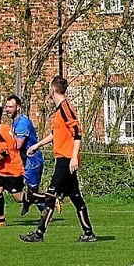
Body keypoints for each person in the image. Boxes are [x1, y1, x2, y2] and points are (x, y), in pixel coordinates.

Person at [19, 76, 96, 243]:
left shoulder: (65, 108)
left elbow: (77, 133)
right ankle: (88, 233)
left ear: (53, 90)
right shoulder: (59, 110)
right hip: (63, 158)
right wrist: (37, 145)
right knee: (75, 197)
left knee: (50, 195)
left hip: (66, 159)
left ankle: (39, 233)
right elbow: (56, 134)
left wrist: (74, 156)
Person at [0, 104, 28, 228]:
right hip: (4, 168)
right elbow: (8, 148)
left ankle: (47, 199)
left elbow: (4, 154)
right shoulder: (5, 127)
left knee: (18, 197)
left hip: (11, 168)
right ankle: (0, 220)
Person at [5, 94, 44, 217]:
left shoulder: (22, 123)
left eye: (11, 107)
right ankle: (32, 205)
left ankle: (48, 203)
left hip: (31, 160)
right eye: (6, 107)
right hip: (22, 160)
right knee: (29, 191)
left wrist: (2, 145)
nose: (7, 109)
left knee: (33, 191)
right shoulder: (15, 122)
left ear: (18, 107)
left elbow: (18, 145)